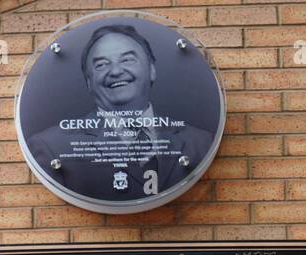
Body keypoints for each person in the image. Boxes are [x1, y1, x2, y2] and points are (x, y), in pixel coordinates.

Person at [25, 24, 214, 201]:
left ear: (152, 70)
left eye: (127, 60)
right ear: (89, 82)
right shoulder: (50, 147)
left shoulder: (200, 143)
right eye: (101, 65)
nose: (115, 71)